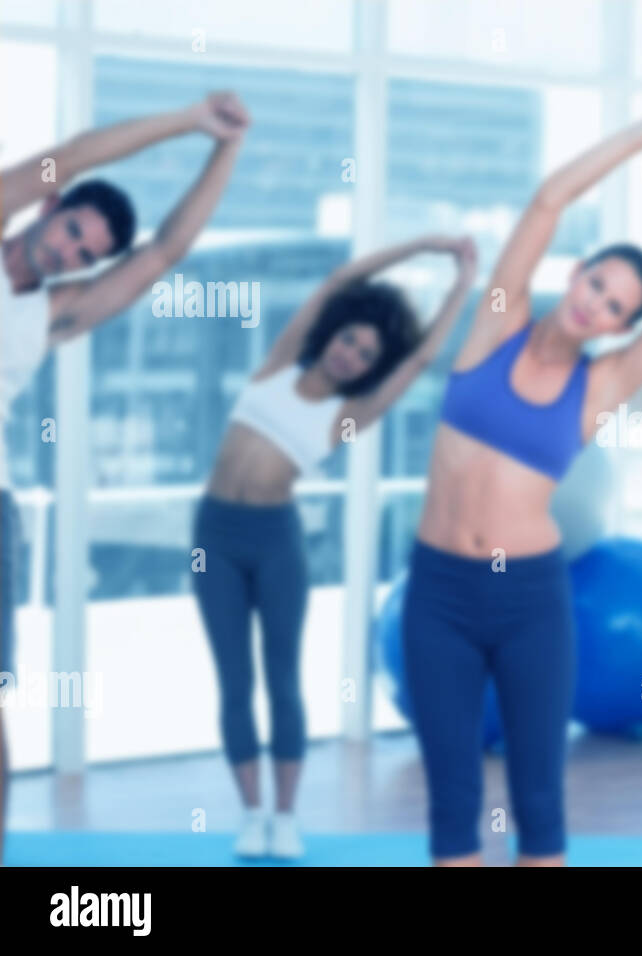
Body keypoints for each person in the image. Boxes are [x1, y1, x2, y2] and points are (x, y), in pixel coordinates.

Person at [404, 113, 642, 867]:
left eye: (616, 307)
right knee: (453, 802)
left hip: (530, 602)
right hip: (438, 593)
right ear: (578, 272)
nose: (597, 304)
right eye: (598, 283)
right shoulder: (496, 324)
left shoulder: (600, 387)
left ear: (619, 325)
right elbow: (548, 200)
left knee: (539, 805)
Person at [0, 91, 250, 866]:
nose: (70, 252)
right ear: (50, 208)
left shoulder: (55, 313)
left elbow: (165, 253)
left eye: (86, 254)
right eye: (72, 229)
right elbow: (71, 154)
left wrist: (225, 151)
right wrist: (184, 119)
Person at [193, 235, 477, 859]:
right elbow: (339, 281)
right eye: (349, 339)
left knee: (282, 678)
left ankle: (286, 817)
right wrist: (425, 245)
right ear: (332, 336)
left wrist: (461, 283)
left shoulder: (351, 415)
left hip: (274, 541)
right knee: (234, 681)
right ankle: (251, 814)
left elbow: (423, 357)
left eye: (366, 353)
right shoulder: (279, 364)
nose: (352, 354)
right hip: (213, 534)